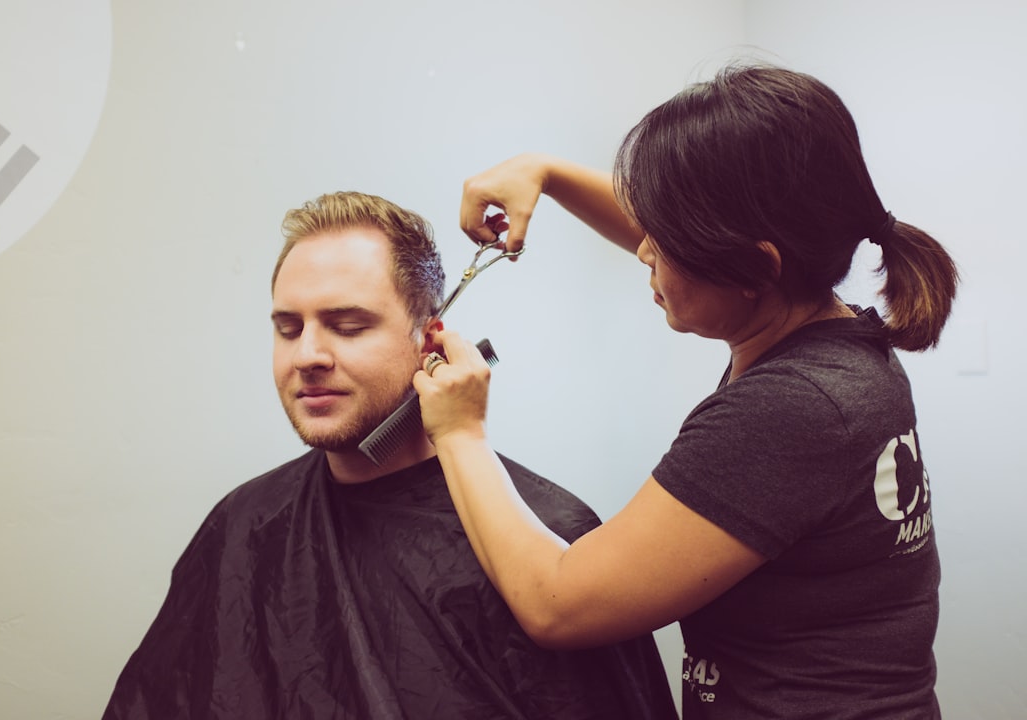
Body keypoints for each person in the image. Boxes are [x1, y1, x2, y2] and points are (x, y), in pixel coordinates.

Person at [414, 64, 957, 719]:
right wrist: (547, 174)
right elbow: (691, 249)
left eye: (663, 239)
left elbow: (557, 605)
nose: (642, 251)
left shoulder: (792, 410)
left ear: (754, 265)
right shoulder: (834, 340)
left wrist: (460, 432)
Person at [101, 191, 674, 719]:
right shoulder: (242, 526)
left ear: (430, 340)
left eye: (347, 326)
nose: (307, 355)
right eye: (287, 328)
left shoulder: (549, 544)